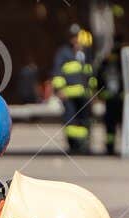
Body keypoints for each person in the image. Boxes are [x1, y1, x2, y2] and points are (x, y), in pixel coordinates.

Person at [51, 25, 96, 154]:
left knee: (85, 121)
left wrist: (92, 90)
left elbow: (89, 73)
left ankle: (84, 146)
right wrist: (60, 90)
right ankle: (74, 146)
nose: (75, 40)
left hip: (84, 95)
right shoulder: (63, 52)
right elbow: (57, 73)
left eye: (77, 37)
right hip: (69, 95)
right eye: (73, 37)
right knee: (71, 121)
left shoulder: (85, 54)